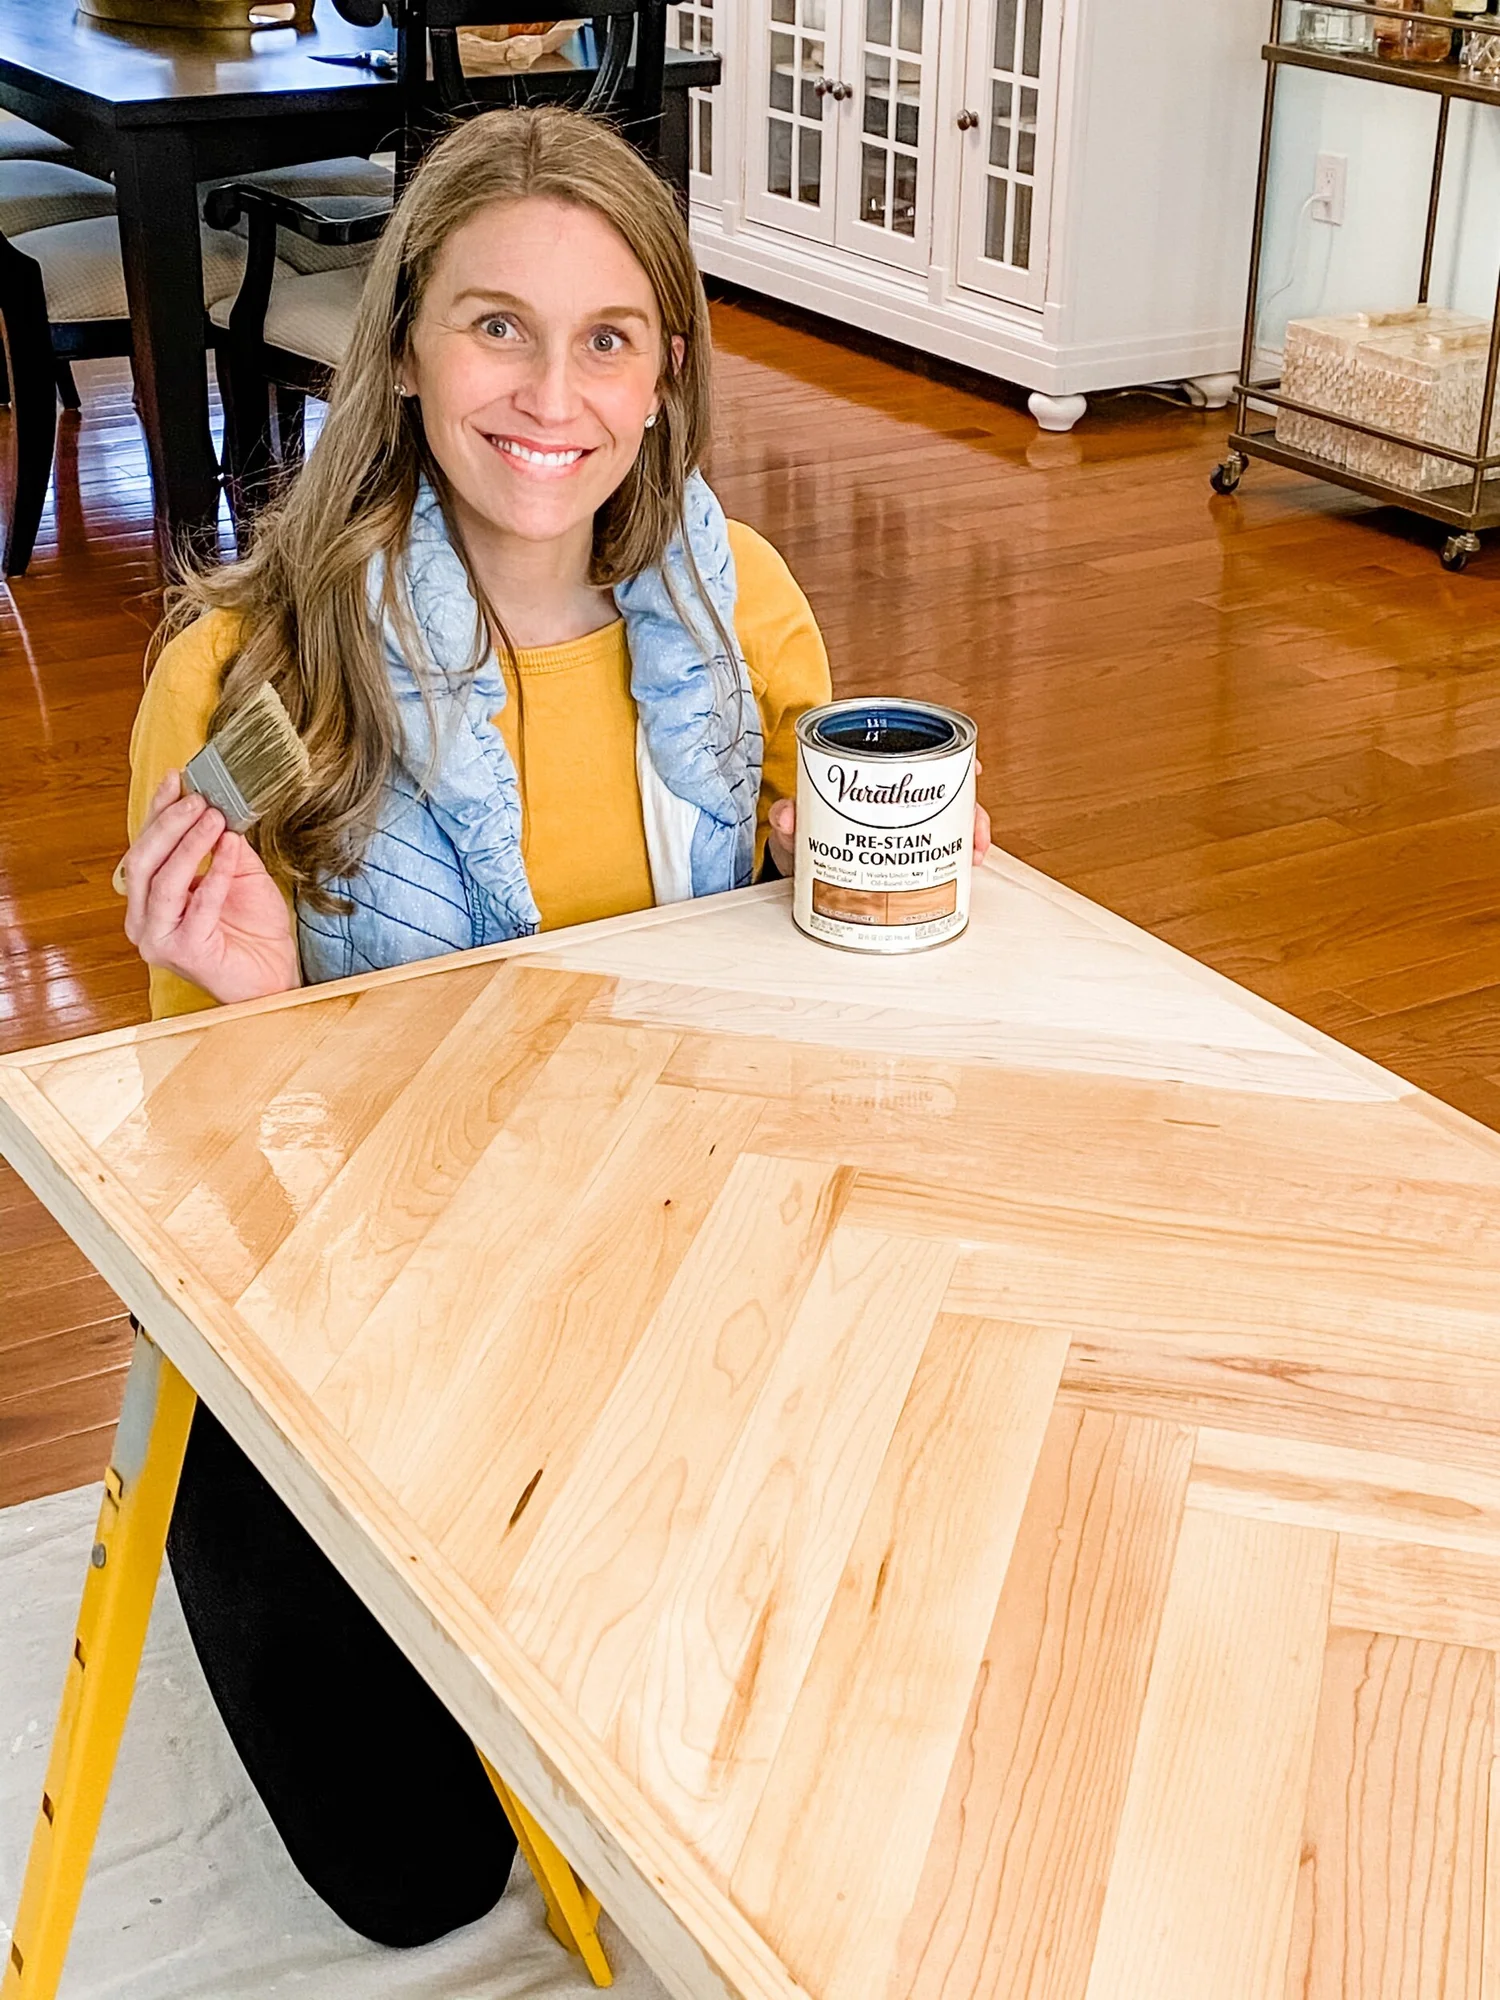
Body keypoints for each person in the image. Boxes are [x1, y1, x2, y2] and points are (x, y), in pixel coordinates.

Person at [120, 105, 987, 1948]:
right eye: (496, 323)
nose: (551, 392)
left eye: (608, 338)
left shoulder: (739, 609)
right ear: (408, 339)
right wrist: (259, 1012)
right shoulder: (241, 672)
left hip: (661, 1246)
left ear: (667, 375)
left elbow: (830, 1047)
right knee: (421, 1880)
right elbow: (187, 1189)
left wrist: (900, 898)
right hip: (345, 1295)